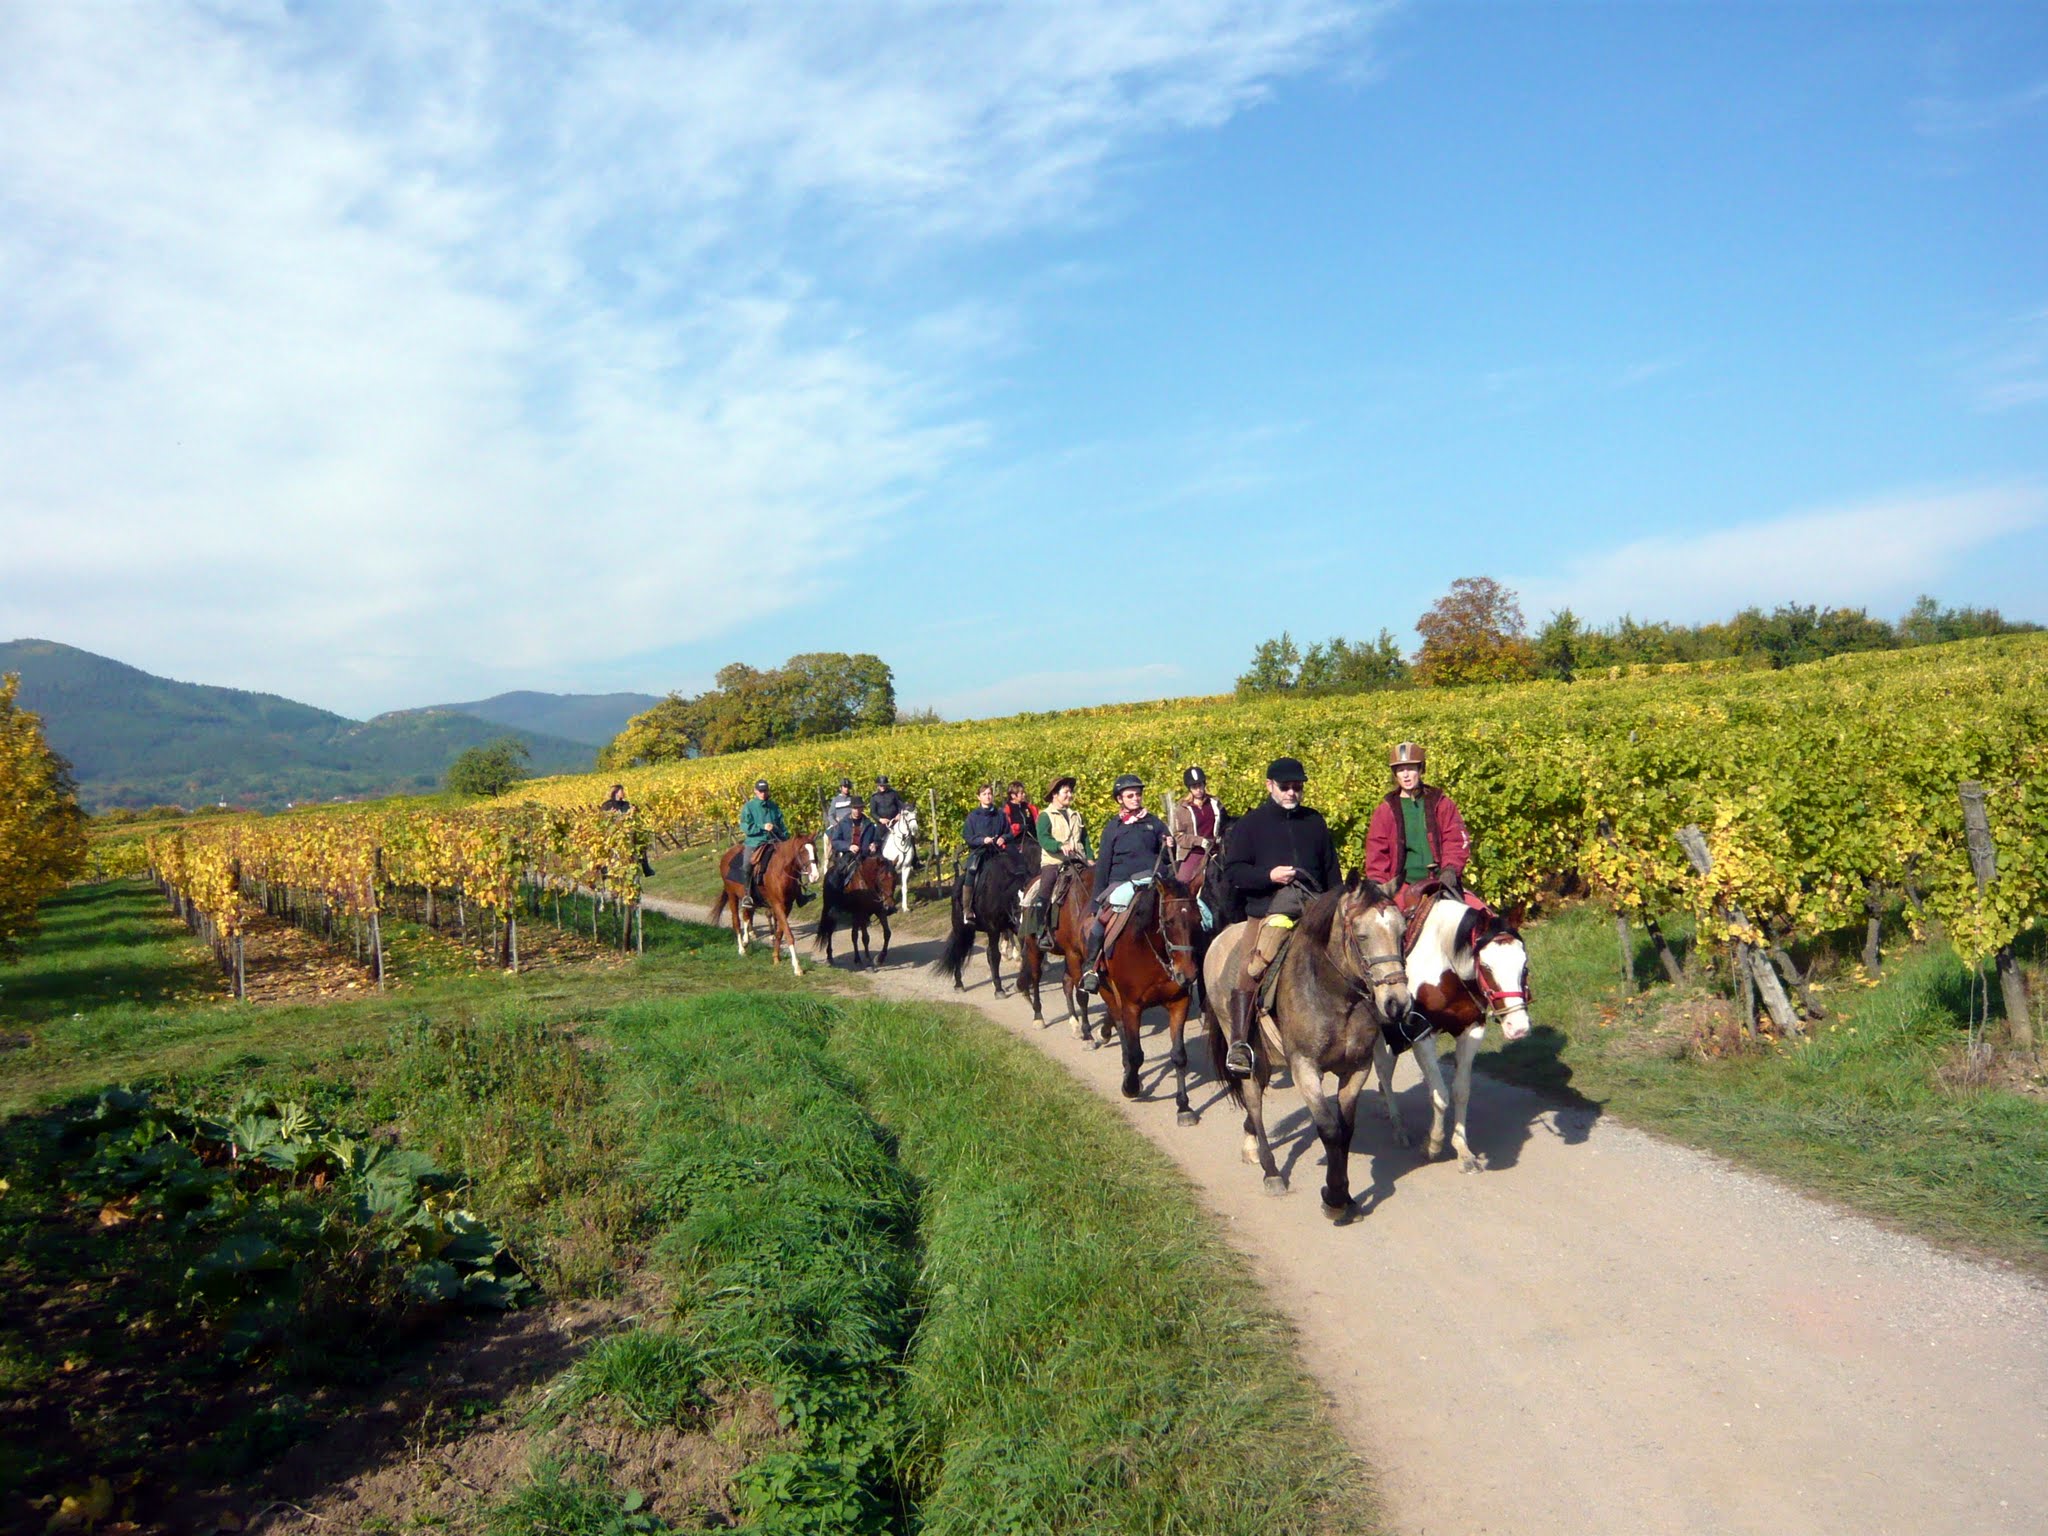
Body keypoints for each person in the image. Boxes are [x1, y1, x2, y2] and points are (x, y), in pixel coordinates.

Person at [1218, 756, 1342, 1077]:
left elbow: (1332, 870)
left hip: (1314, 907)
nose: (1291, 793)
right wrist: (1269, 875)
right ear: (1269, 786)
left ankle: (1377, 1025)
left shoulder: (1314, 821)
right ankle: (1239, 1044)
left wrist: (1337, 907)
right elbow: (1234, 872)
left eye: (1297, 787)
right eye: (1285, 787)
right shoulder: (1250, 824)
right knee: (1250, 969)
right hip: (1267, 909)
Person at [1081, 773, 1169, 994]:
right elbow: (1103, 865)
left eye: (1138, 794)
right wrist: (1096, 902)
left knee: (1186, 912)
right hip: (1122, 883)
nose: (1135, 798)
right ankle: (1091, 969)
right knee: (1101, 921)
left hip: (1153, 880)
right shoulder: (1113, 828)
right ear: (1120, 799)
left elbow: (1167, 856)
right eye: (1130, 795)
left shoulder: (1154, 823)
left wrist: (1170, 844)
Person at [1362, 742, 1475, 912]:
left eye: (1411, 769)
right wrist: (1379, 885)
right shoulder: (1385, 811)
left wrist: (1450, 869)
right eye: (1401, 770)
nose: (1406, 775)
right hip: (1403, 888)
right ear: (1395, 774)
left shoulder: (1441, 803)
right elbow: (1376, 853)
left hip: (1441, 883)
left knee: (1484, 917)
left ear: (1420, 769)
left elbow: (1456, 840)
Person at [1022, 775, 1092, 941]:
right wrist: (1060, 845)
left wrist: (1090, 858)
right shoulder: (1046, 816)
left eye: (1070, 792)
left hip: (1078, 860)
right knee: (1045, 888)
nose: (1070, 795)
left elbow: (1085, 839)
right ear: (1055, 794)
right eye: (1066, 792)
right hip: (1054, 862)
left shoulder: (1076, 815)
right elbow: (1043, 839)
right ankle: (1041, 929)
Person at [959, 782, 1011, 923]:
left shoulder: (1000, 815)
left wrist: (1003, 838)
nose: (988, 796)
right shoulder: (972, 817)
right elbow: (968, 837)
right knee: (971, 871)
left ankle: (1014, 907)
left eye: (989, 794)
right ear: (979, 797)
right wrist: (982, 840)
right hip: (979, 852)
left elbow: (1009, 832)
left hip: (998, 853)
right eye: (984, 794)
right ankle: (967, 909)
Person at [1166, 765, 1227, 885]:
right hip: (1195, 852)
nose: (1198, 790)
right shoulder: (1182, 808)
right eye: (1194, 787)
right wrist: (1199, 841)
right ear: (1189, 789)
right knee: (1182, 882)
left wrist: (1220, 839)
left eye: (1200, 785)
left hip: (1217, 850)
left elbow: (1225, 824)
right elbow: (1179, 836)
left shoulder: (1216, 803)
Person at [740, 778, 793, 905]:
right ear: (755, 791)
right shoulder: (749, 807)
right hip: (755, 842)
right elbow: (745, 826)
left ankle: (800, 893)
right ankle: (747, 895)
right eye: (760, 791)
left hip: (774, 840)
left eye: (765, 791)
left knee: (793, 860)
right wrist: (762, 827)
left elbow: (782, 825)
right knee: (747, 865)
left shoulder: (774, 806)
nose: (763, 794)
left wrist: (786, 839)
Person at [826, 799, 882, 901]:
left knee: (881, 874)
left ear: (862, 809)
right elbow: (835, 841)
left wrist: (874, 844)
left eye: (859, 808)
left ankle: (883, 900)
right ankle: (836, 899)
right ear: (851, 808)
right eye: (855, 808)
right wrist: (849, 846)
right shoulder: (843, 823)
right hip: (849, 856)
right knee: (838, 874)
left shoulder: (869, 824)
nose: (857, 811)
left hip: (865, 855)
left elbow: (877, 839)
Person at [600, 782, 655, 874]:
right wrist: (610, 815)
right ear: (616, 793)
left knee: (641, 843)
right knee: (606, 848)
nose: (624, 793)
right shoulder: (607, 805)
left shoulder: (626, 804)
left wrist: (634, 811)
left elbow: (631, 817)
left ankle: (646, 867)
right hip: (613, 832)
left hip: (628, 831)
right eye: (622, 791)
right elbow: (603, 820)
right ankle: (605, 869)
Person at [1002, 780, 1038, 850]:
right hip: (1016, 844)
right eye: (1021, 793)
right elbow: (1006, 828)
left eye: (1024, 792)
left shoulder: (1029, 807)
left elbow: (1037, 821)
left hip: (1032, 841)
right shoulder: (1007, 809)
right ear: (1013, 795)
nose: (1024, 795)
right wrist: (1019, 827)